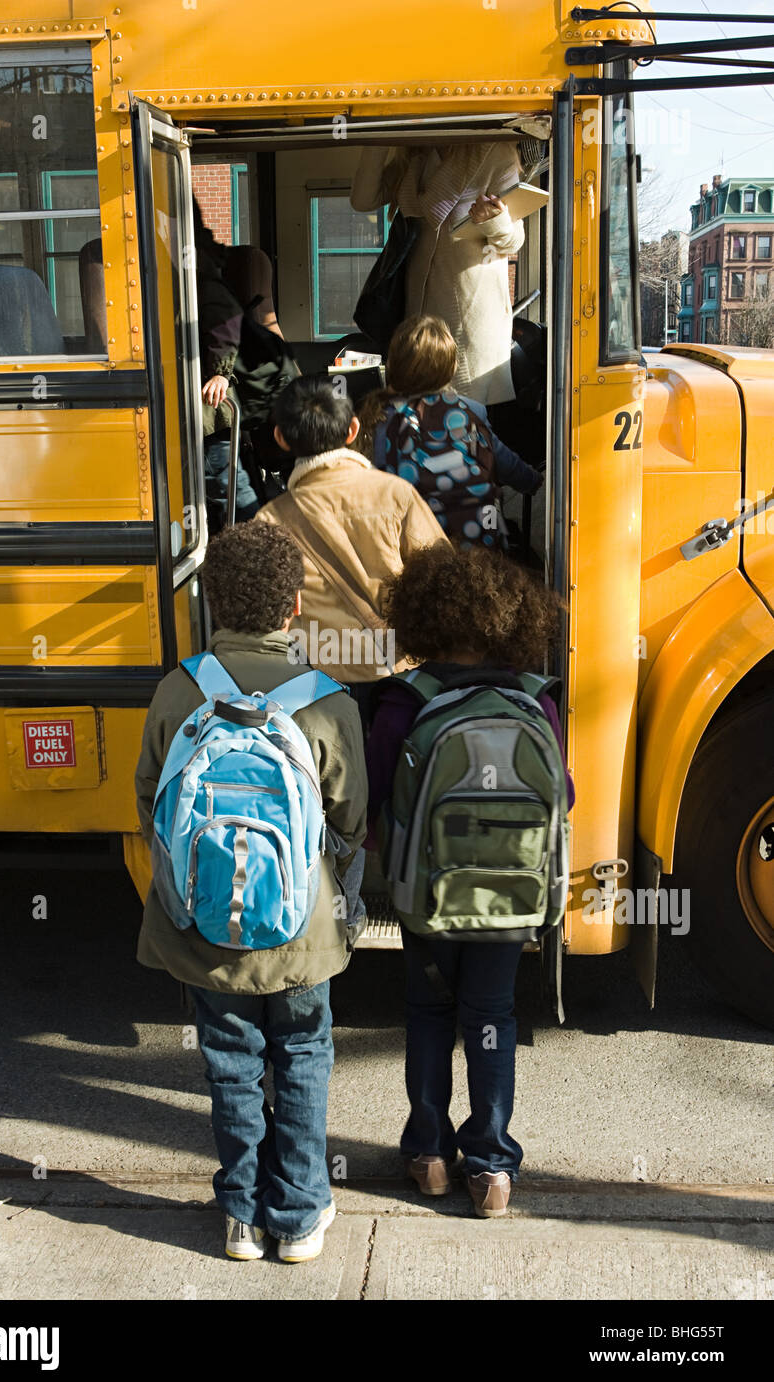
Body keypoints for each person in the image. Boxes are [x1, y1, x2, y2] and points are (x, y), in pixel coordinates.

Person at [135, 520, 368, 1262]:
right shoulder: (327, 700)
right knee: (302, 1051)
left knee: (230, 1060)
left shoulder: (181, 690)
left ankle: (240, 1214)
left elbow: (150, 804)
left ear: (212, 605)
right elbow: (353, 820)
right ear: (294, 607)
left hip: (206, 924)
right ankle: (299, 1215)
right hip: (301, 928)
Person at [366, 542, 574, 1217]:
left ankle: (428, 1154)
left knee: (428, 1014)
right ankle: (490, 1169)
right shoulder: (533, 700)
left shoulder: (406, 698)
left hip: (429, 895)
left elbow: (372, 791)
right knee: (492, 1019)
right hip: (510, 897)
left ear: (422, 616)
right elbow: (561, 797)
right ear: (512, 621)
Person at [255, 374, 450, 719]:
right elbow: (443, 577)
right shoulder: (396, 494)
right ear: (353, 430)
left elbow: (265, 618)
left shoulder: (270, 519)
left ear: (281, 438)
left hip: (314, 684)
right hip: (396, 672)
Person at [351, 142, 524, 409]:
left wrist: (495, 219)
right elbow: (363, 200)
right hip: (418, 323)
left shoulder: (493, 153)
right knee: (418, 424)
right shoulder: (413, 156)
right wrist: (380, 136)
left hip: (469, 324)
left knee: (465, 425)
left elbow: (514, 240)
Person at [359, 314, 542, 550]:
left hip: (412, 548)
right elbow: (503, 462)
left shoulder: (378, 418)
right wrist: (533, 481)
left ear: (394, 364)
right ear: (450, 366)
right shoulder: (470, 411)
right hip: (479, 548)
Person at [194, 200, 296, 525]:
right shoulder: (201, 276)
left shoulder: (202, 282)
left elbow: (225, 324)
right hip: (213, 411)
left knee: (229, 488)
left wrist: (220, 374)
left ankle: (256, 543)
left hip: (213, 411)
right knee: (230, 485)